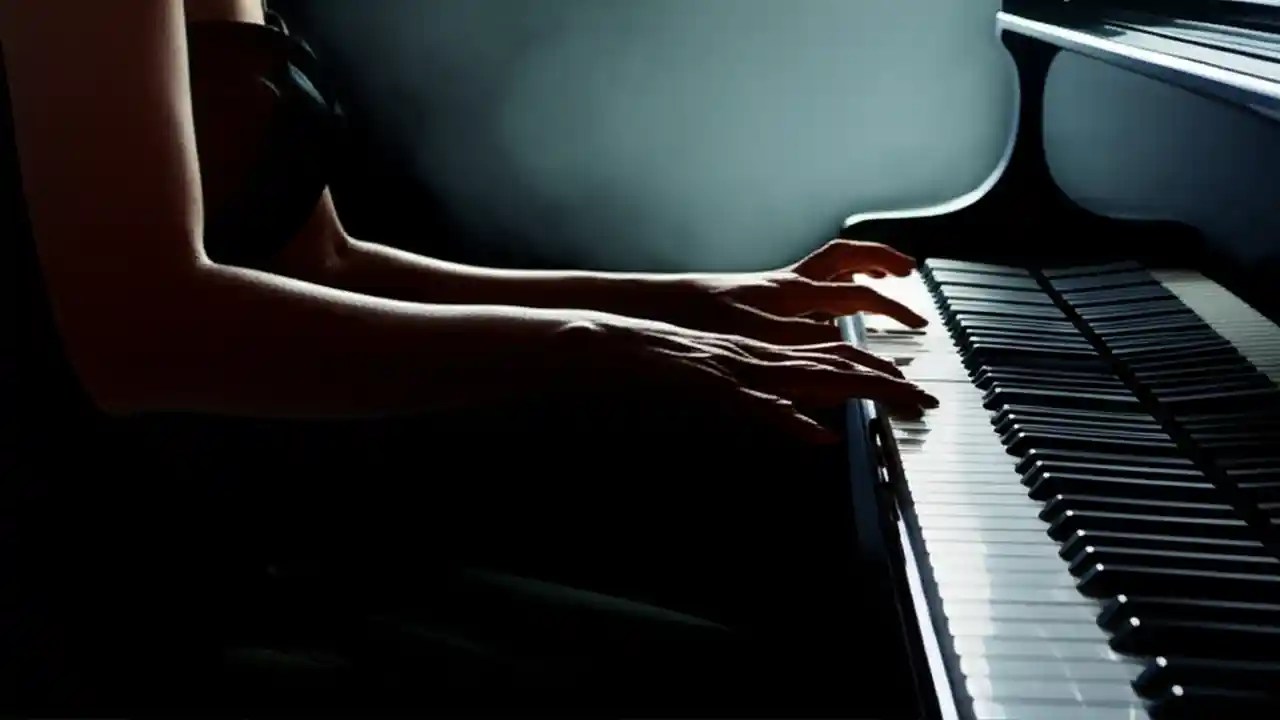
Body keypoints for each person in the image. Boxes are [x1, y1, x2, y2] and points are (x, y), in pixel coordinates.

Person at [0, 0, 939, 716]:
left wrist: (695, 300)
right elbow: (142, 332)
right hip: (119, 594)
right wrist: (600, 346)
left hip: (258, 552)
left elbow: (322, 261)